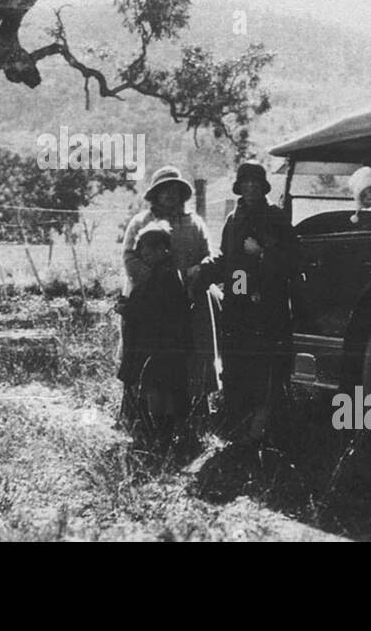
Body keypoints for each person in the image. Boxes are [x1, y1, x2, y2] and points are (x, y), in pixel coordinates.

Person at [199, 161, 295, 444]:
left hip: (267, 306)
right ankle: (237, 429)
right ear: (239, 187)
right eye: (245, 182)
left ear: (263, 186)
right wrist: (201, 272)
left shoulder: (275, 217)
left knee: (266, 369)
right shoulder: (233, 219)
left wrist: (264, 253)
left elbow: (291, 260)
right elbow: (227, 261)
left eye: (255, 182)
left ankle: (262, 432)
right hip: (237, 305)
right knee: (236, 365)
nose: (250, 186)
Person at [120, 166, 216, 432]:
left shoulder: (194, 223)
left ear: (182, 194)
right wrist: (155, 283)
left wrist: (200, 269)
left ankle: (192, 424)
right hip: (150, 307)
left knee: (190, 359)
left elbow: (209, 255)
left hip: (189, 304)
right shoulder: (140, 222)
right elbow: (129, 256)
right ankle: (142, 423)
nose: (170, 195)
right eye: (164, 190)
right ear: (155, 194)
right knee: (147, 363)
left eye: (175, 190)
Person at [118, 223, 192, 450]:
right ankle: (161, 435)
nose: (145, 255)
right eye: (143, 251)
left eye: (150, 250)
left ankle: (162, 436)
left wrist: (128, 308)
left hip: (162, 344)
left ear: (164, 250)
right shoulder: (159, 274)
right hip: (161, 342)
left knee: (159, 390)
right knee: (159, 388)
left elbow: (154, 309)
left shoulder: (165, 276)